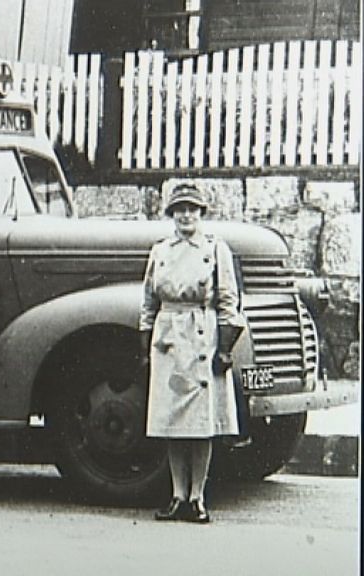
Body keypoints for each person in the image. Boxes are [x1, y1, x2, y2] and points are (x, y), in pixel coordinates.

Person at [139, 184, 245, 524]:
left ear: (201, 213)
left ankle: (197, 496)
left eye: (192, 209)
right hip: (169, 337)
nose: (186, 215)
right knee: (172, 420)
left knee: (200, 425)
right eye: (180, 209)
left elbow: (229, 300)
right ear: (171, 214)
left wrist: (225, 348)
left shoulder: (215, 250)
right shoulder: (160, 251)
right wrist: (145, 346)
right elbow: (147, 302)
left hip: (204, 334)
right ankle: (176, 494)